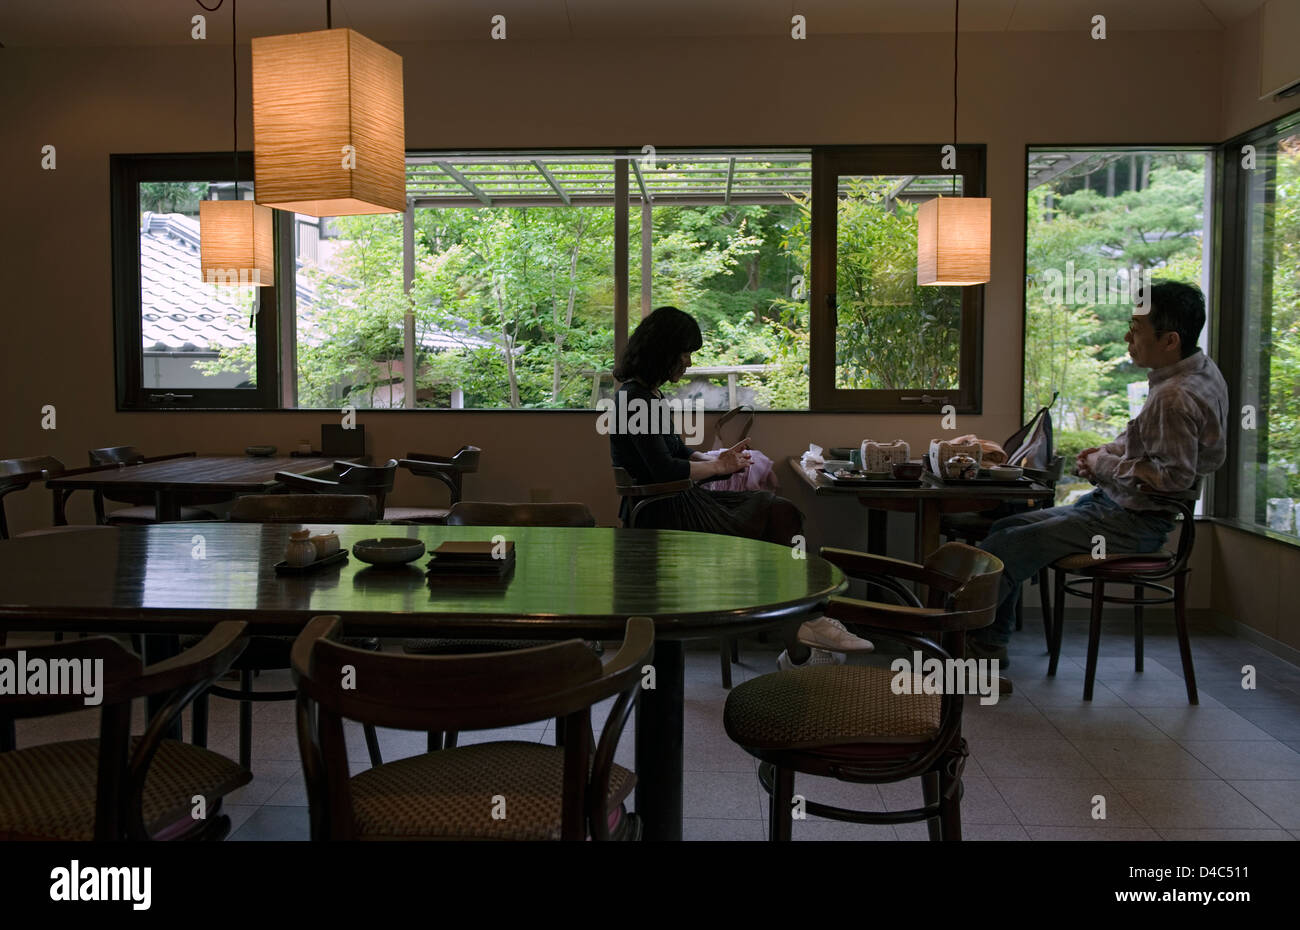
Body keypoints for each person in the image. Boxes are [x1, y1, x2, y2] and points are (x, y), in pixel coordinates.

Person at [968, 281, 1228, 665]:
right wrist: (1103, 453)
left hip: (1131, 523)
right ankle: (988, 640)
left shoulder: (1174, 396)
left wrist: (1102, 465)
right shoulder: (1200, 371)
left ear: (1170, 340)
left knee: (1005, 547)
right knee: (1004, 529)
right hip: (1115, 510)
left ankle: (977, 646)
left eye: (1136, 328)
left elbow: (1172, 478)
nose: (1127, 337)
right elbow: (1150, 443)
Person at [608, 305, 871, 667]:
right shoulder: (635, 400)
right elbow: (663, 469)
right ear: (662, 351)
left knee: (779, 513)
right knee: (778, 513)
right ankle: (807, 625)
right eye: (684, 354)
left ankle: (804, 630)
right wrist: (717, 466)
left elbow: (676, 452)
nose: (688, 363)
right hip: (664, 512)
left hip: (674, 503)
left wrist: (718, 458)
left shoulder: (646, 395)